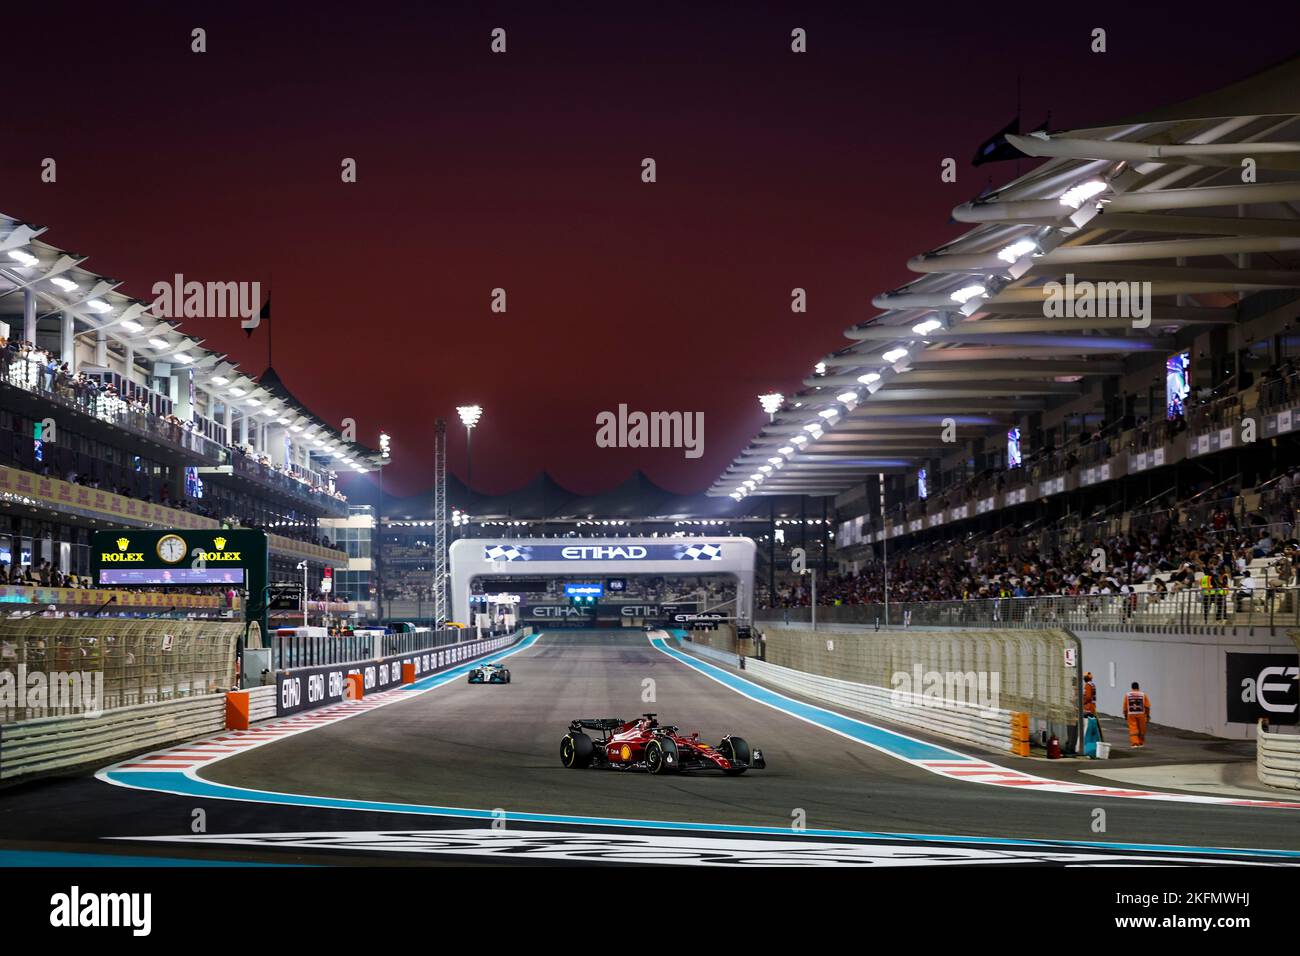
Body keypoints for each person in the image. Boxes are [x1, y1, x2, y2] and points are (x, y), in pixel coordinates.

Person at [1125, 681, 1151, 748]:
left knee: (1133, 729)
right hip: (1141, 714)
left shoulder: (1128, 695)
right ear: (1138, 687)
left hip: (1131, 714)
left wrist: (1125, 715)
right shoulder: (1143, 694)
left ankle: (1135, 743)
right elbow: (1147, 706)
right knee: (1141, 729)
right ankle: (1141, 743)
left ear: (1132, 687)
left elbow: (1125, 707)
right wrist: (1147, 715)